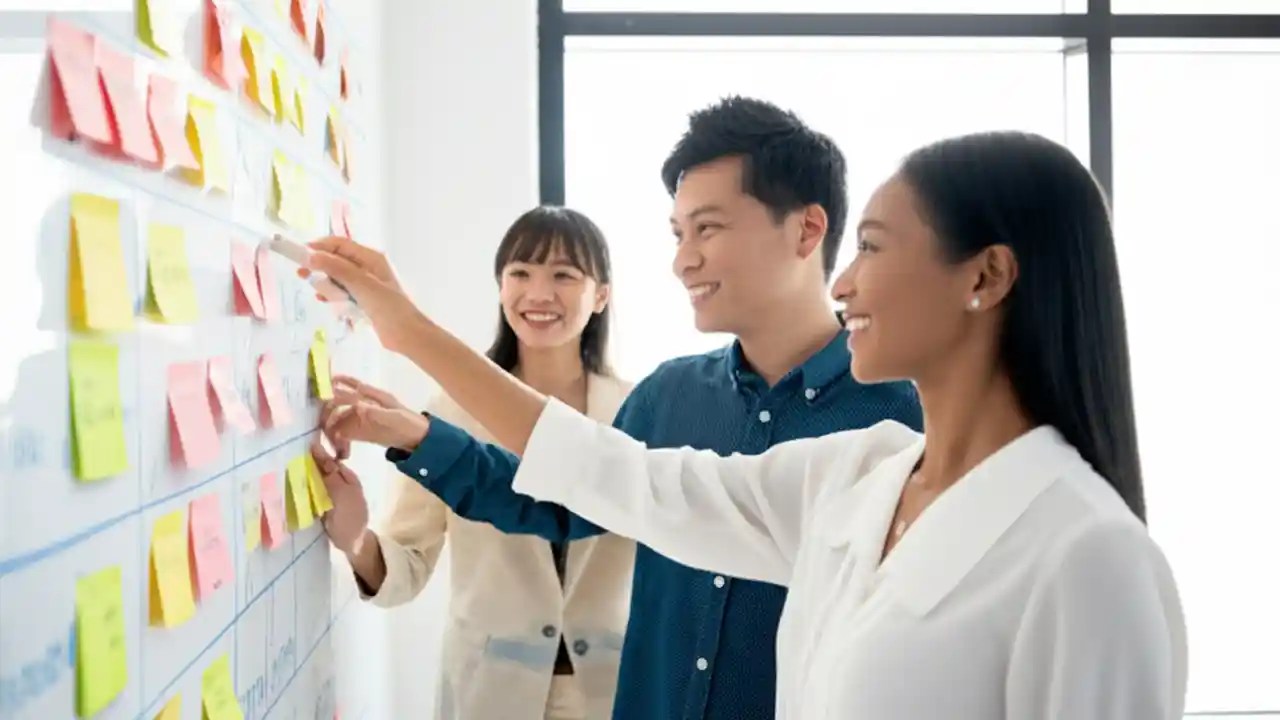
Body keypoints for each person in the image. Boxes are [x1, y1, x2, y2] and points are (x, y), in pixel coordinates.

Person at [307, 130, 1188, 718]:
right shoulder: (855, 475)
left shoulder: (1091, 557)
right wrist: (409, 337)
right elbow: (607, 480)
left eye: (873, 248)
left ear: (985, 277)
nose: (847, 283)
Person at [310, 97, 923, 720]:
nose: (683, 260)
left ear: (807, 230)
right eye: (678, 233)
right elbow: (560, 498)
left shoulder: (906, 421)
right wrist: (419, 435)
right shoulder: (666, 397)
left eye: (708, 229)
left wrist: (410, 334)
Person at [314, 206, 636, 720]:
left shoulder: (638, 413)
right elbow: (408, 564)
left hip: (614, 692)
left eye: (563, 276)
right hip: (491, 693)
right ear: (500, 287)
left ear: (601, 295)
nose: (539, 293)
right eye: (521, 273)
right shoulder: (449, 414)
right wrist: (356, 540)